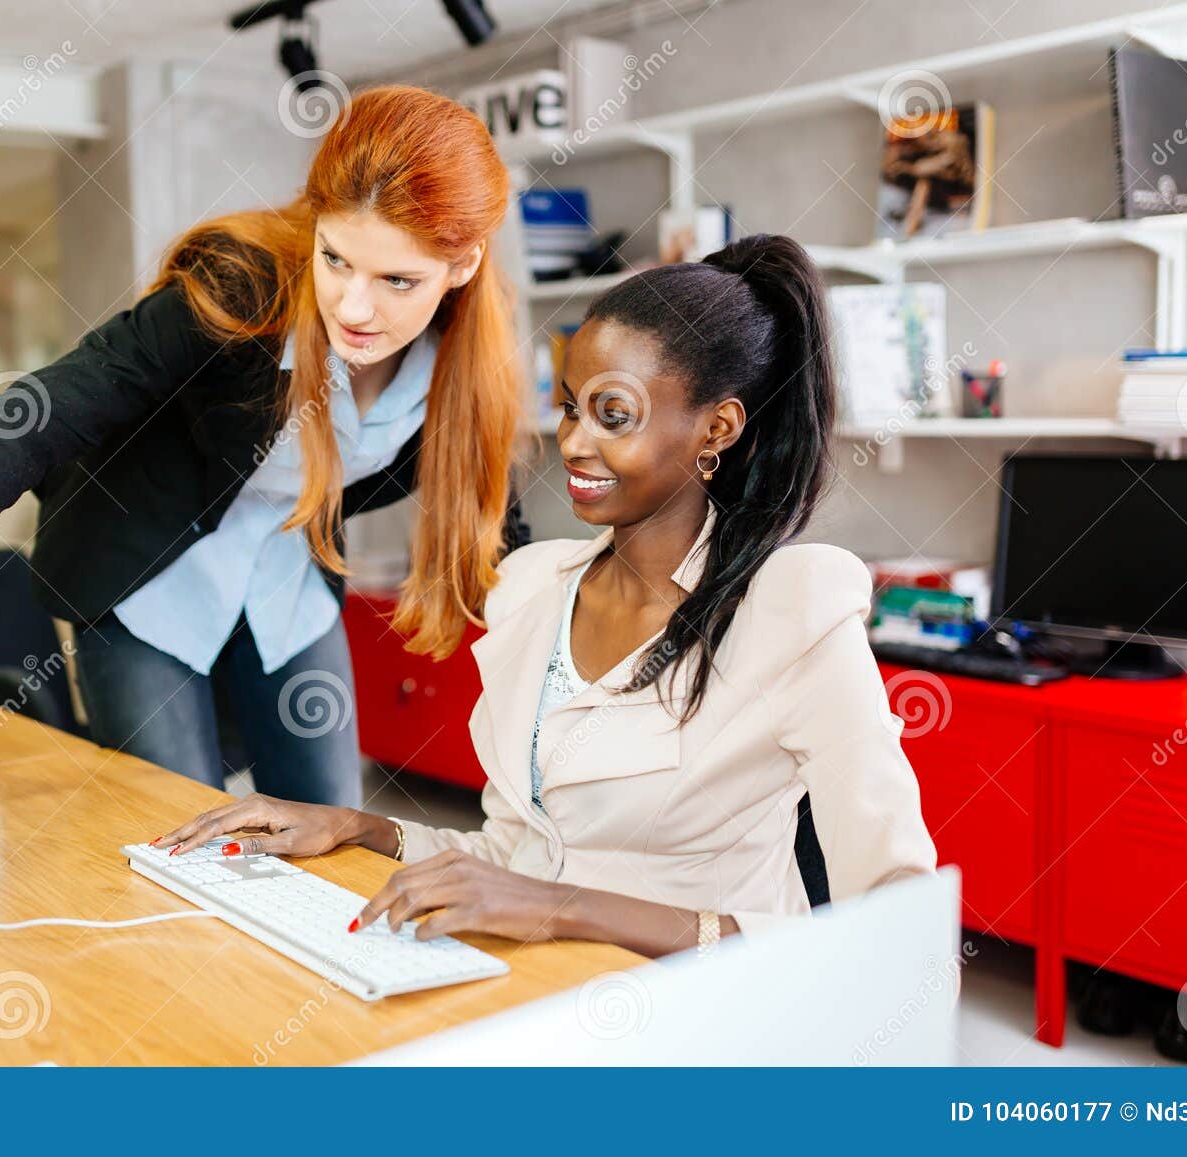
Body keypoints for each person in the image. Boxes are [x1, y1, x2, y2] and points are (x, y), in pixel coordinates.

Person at [151, 233, 939, 956]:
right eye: (569, 405)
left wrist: (564, 909)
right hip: (528, 993)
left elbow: (897, 929)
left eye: (613, 414)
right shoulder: (536, 590)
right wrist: (359, 827)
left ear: (717, 429)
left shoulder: (793, 614)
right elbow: (513, 859)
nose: (573, 440)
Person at [0, 85, 531, 807]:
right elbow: (63, 395)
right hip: (147, 576)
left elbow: (502, 516)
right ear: (316, 223)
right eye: (336, 258)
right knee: (179, 824)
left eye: (398, 279)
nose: (355, 307)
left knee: (331, 816)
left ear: (461, 266)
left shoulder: (464, 368)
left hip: (286, 586)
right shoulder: (245, 287)